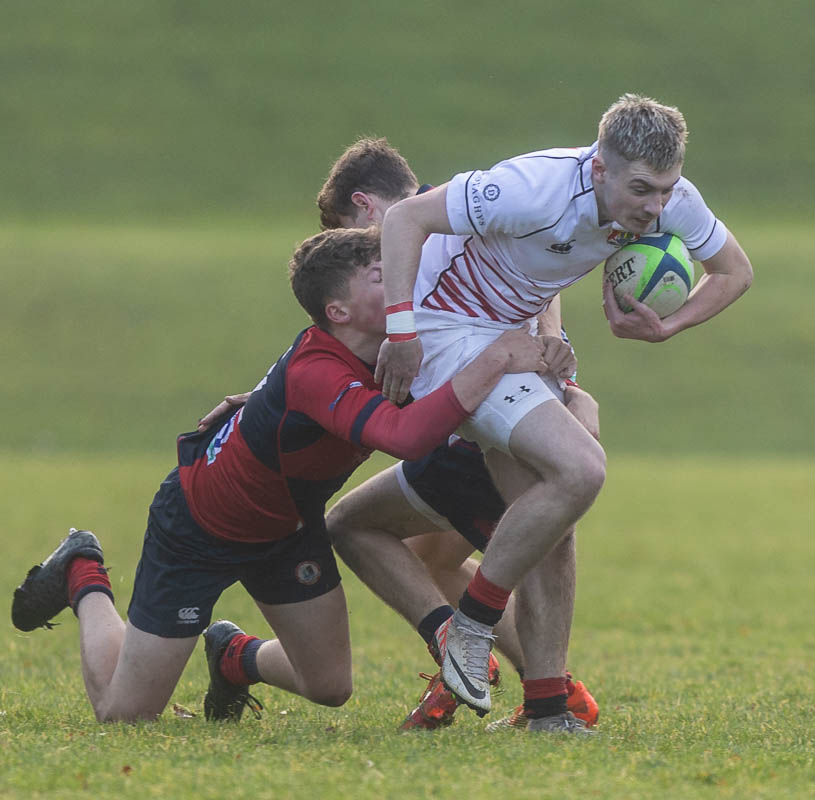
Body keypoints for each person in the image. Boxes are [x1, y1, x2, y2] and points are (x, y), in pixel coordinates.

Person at [10, 226, 562, 723]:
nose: (401, 278)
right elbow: (405, 438)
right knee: (125, 715)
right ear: (339, 311)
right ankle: (83, 574)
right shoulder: (318, 370)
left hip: (286, 531)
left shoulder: (397, 345)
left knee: (329, 686)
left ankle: (233, 656)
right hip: (199, 530)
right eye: (380, 274)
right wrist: (496, 360)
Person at [375, 93, 753, 732]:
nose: (655, 207)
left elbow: (734, 271)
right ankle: (471, 623)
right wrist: (402, 333)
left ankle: (549, 706)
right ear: (600, 169)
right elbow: (404, 220)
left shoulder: (668, 198)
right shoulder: (532, 187)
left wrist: (668, 328)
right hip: (450, 334)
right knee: (581, 468)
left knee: (554, 509)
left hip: (515, 336)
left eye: (665, 189)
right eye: (641, 189)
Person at [199, 138, 601, 732]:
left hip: (487, 432)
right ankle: (523, 682)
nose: (360, 255)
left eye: (348, 233)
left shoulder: (432, 235)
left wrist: (555, 362)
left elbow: (525, 301)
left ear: (365, 207)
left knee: (507, 539)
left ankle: (529, 687)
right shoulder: (460, 226)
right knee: (438, 558)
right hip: (472, 433)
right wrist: (267, 396)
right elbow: (347, 349)